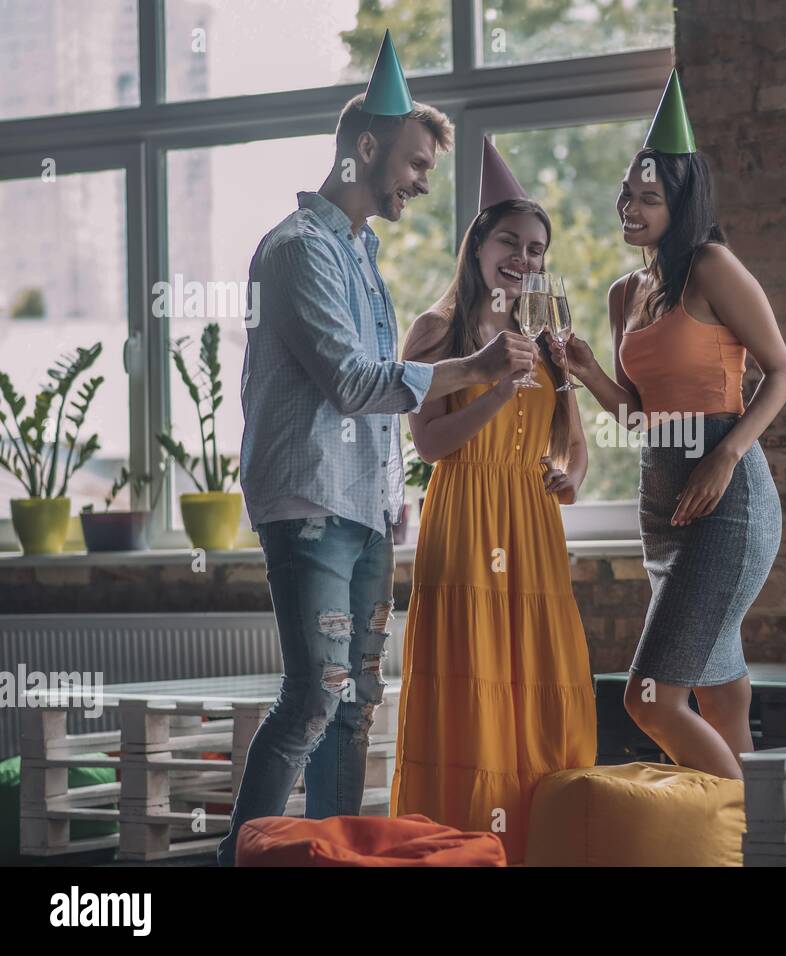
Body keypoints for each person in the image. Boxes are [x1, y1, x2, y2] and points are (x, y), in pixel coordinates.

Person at [217, 35, 534, 867]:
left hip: (364, 510)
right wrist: (475, 367)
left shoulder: (363, 256)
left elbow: (380, 409)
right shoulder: (298, 250)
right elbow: (354, 384)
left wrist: (394, 495)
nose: (424, 181)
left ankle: (335, 858)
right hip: (311, 505)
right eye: (417, 163)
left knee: (354, 703)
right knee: (313, 700)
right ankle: (238, 859)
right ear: (365, 149)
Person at [554, 70, 786, 779]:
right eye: (627, 193)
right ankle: (752, 847)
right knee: (721, 694)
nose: (630, 207)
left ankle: (724, 824)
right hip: (661, 503)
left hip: (728, 500)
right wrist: (590, 370)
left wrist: (726, 457)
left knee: (650, 698)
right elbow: (638, 414)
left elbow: (782, 370)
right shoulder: (624, 292)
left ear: (681, 203)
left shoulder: (713, 267)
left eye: (649, 198)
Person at [389, 138, 596, 863]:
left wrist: (571, 475)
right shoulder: (434, 331)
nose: (525, 257)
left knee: (539, 680)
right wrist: (498, 390)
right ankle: (460, 845)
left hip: (532, 528)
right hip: (465, 522)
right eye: (511, 240)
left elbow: (576, 443)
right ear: (478, 243)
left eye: (537, 247)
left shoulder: (547, 337)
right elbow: (431, 445)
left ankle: (543, 847)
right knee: (471, 689)